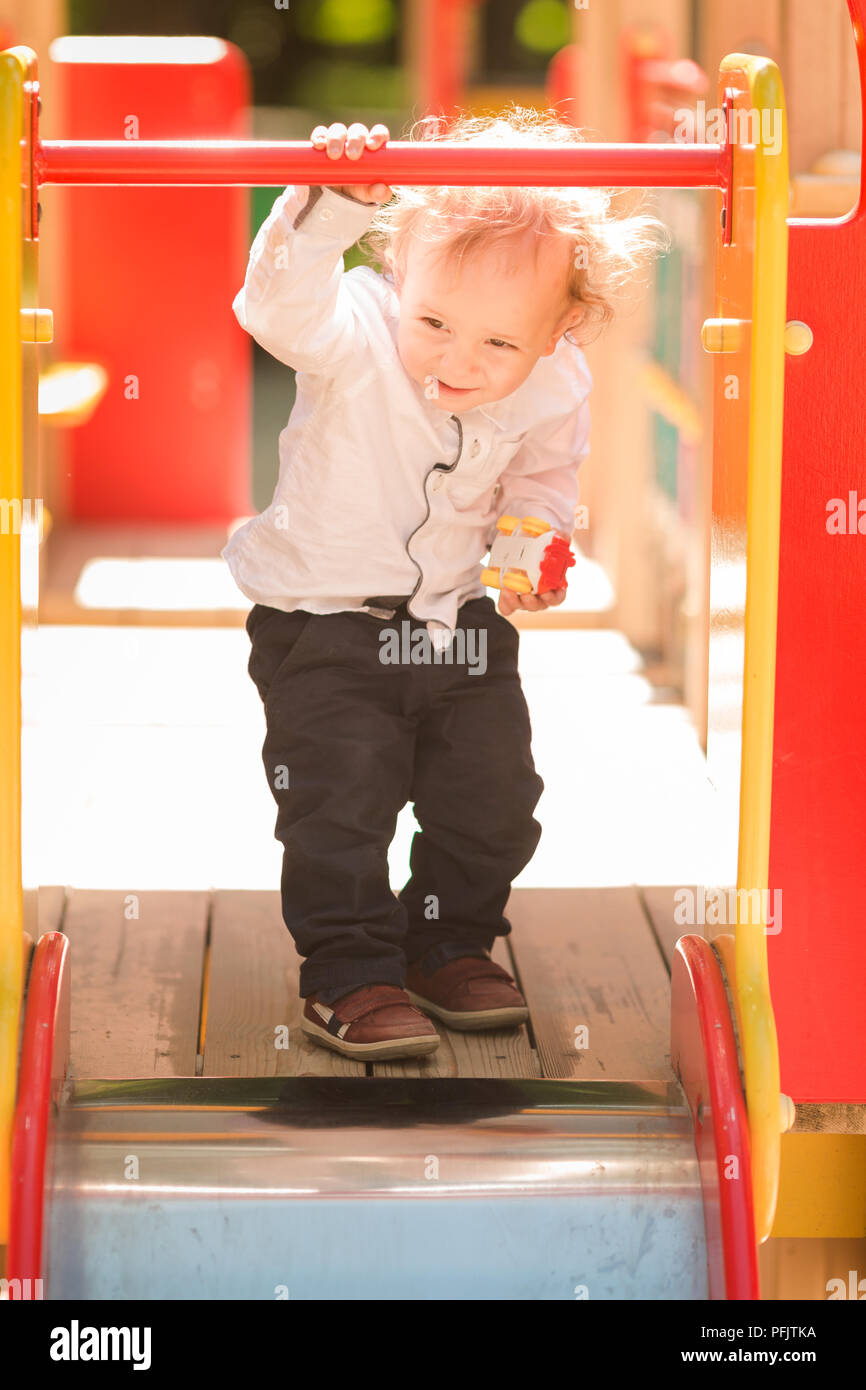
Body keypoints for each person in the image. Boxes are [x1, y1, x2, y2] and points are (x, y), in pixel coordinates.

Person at [222, 107, 668, 1060]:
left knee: (494, 794)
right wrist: (336, 203)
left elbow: (544, 476)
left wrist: (535, 538)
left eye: (500, 345)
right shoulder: (355, 333)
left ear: (559, 330)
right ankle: (349, 970)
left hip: (458, 622)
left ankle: (447, 942)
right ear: (398, 274)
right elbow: (276, 305)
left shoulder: (556, 380)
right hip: (326, 627)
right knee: (340, 805)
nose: (458, 361)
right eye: (433, 322)